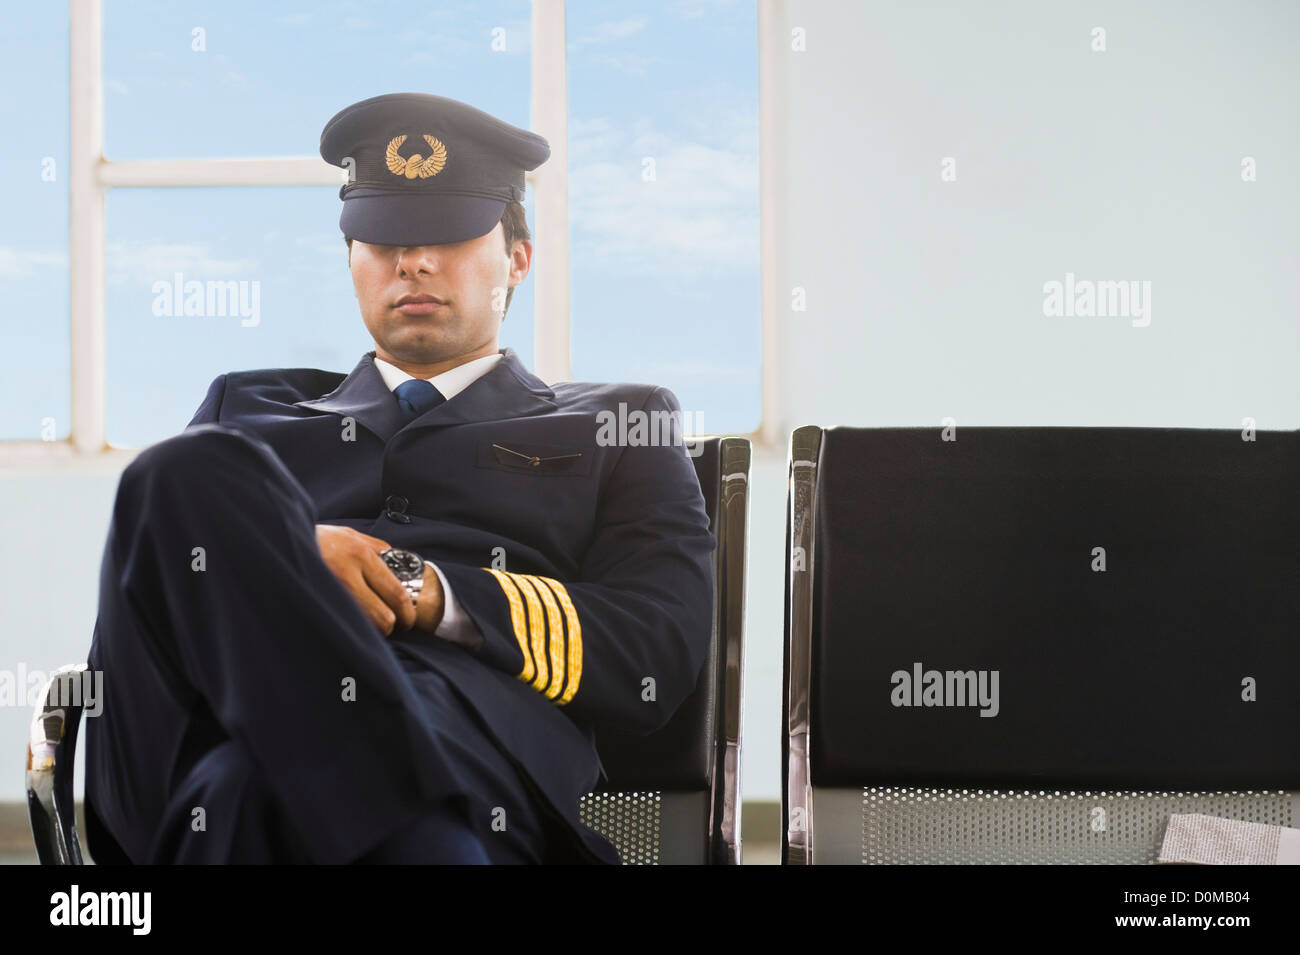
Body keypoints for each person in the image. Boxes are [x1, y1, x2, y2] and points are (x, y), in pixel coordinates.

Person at [84, 92, 716, 865]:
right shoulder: (244, 408)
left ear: (519, 256)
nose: (411, 261)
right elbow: (148, 632)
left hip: (454, 767)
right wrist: (290, 556)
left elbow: (656, 647)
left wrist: (415, 587)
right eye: (381, 237)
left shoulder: (623, 422)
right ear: (349, 257)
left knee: (250, 787)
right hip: (203, 763)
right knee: (182, 472)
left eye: (446, 234)